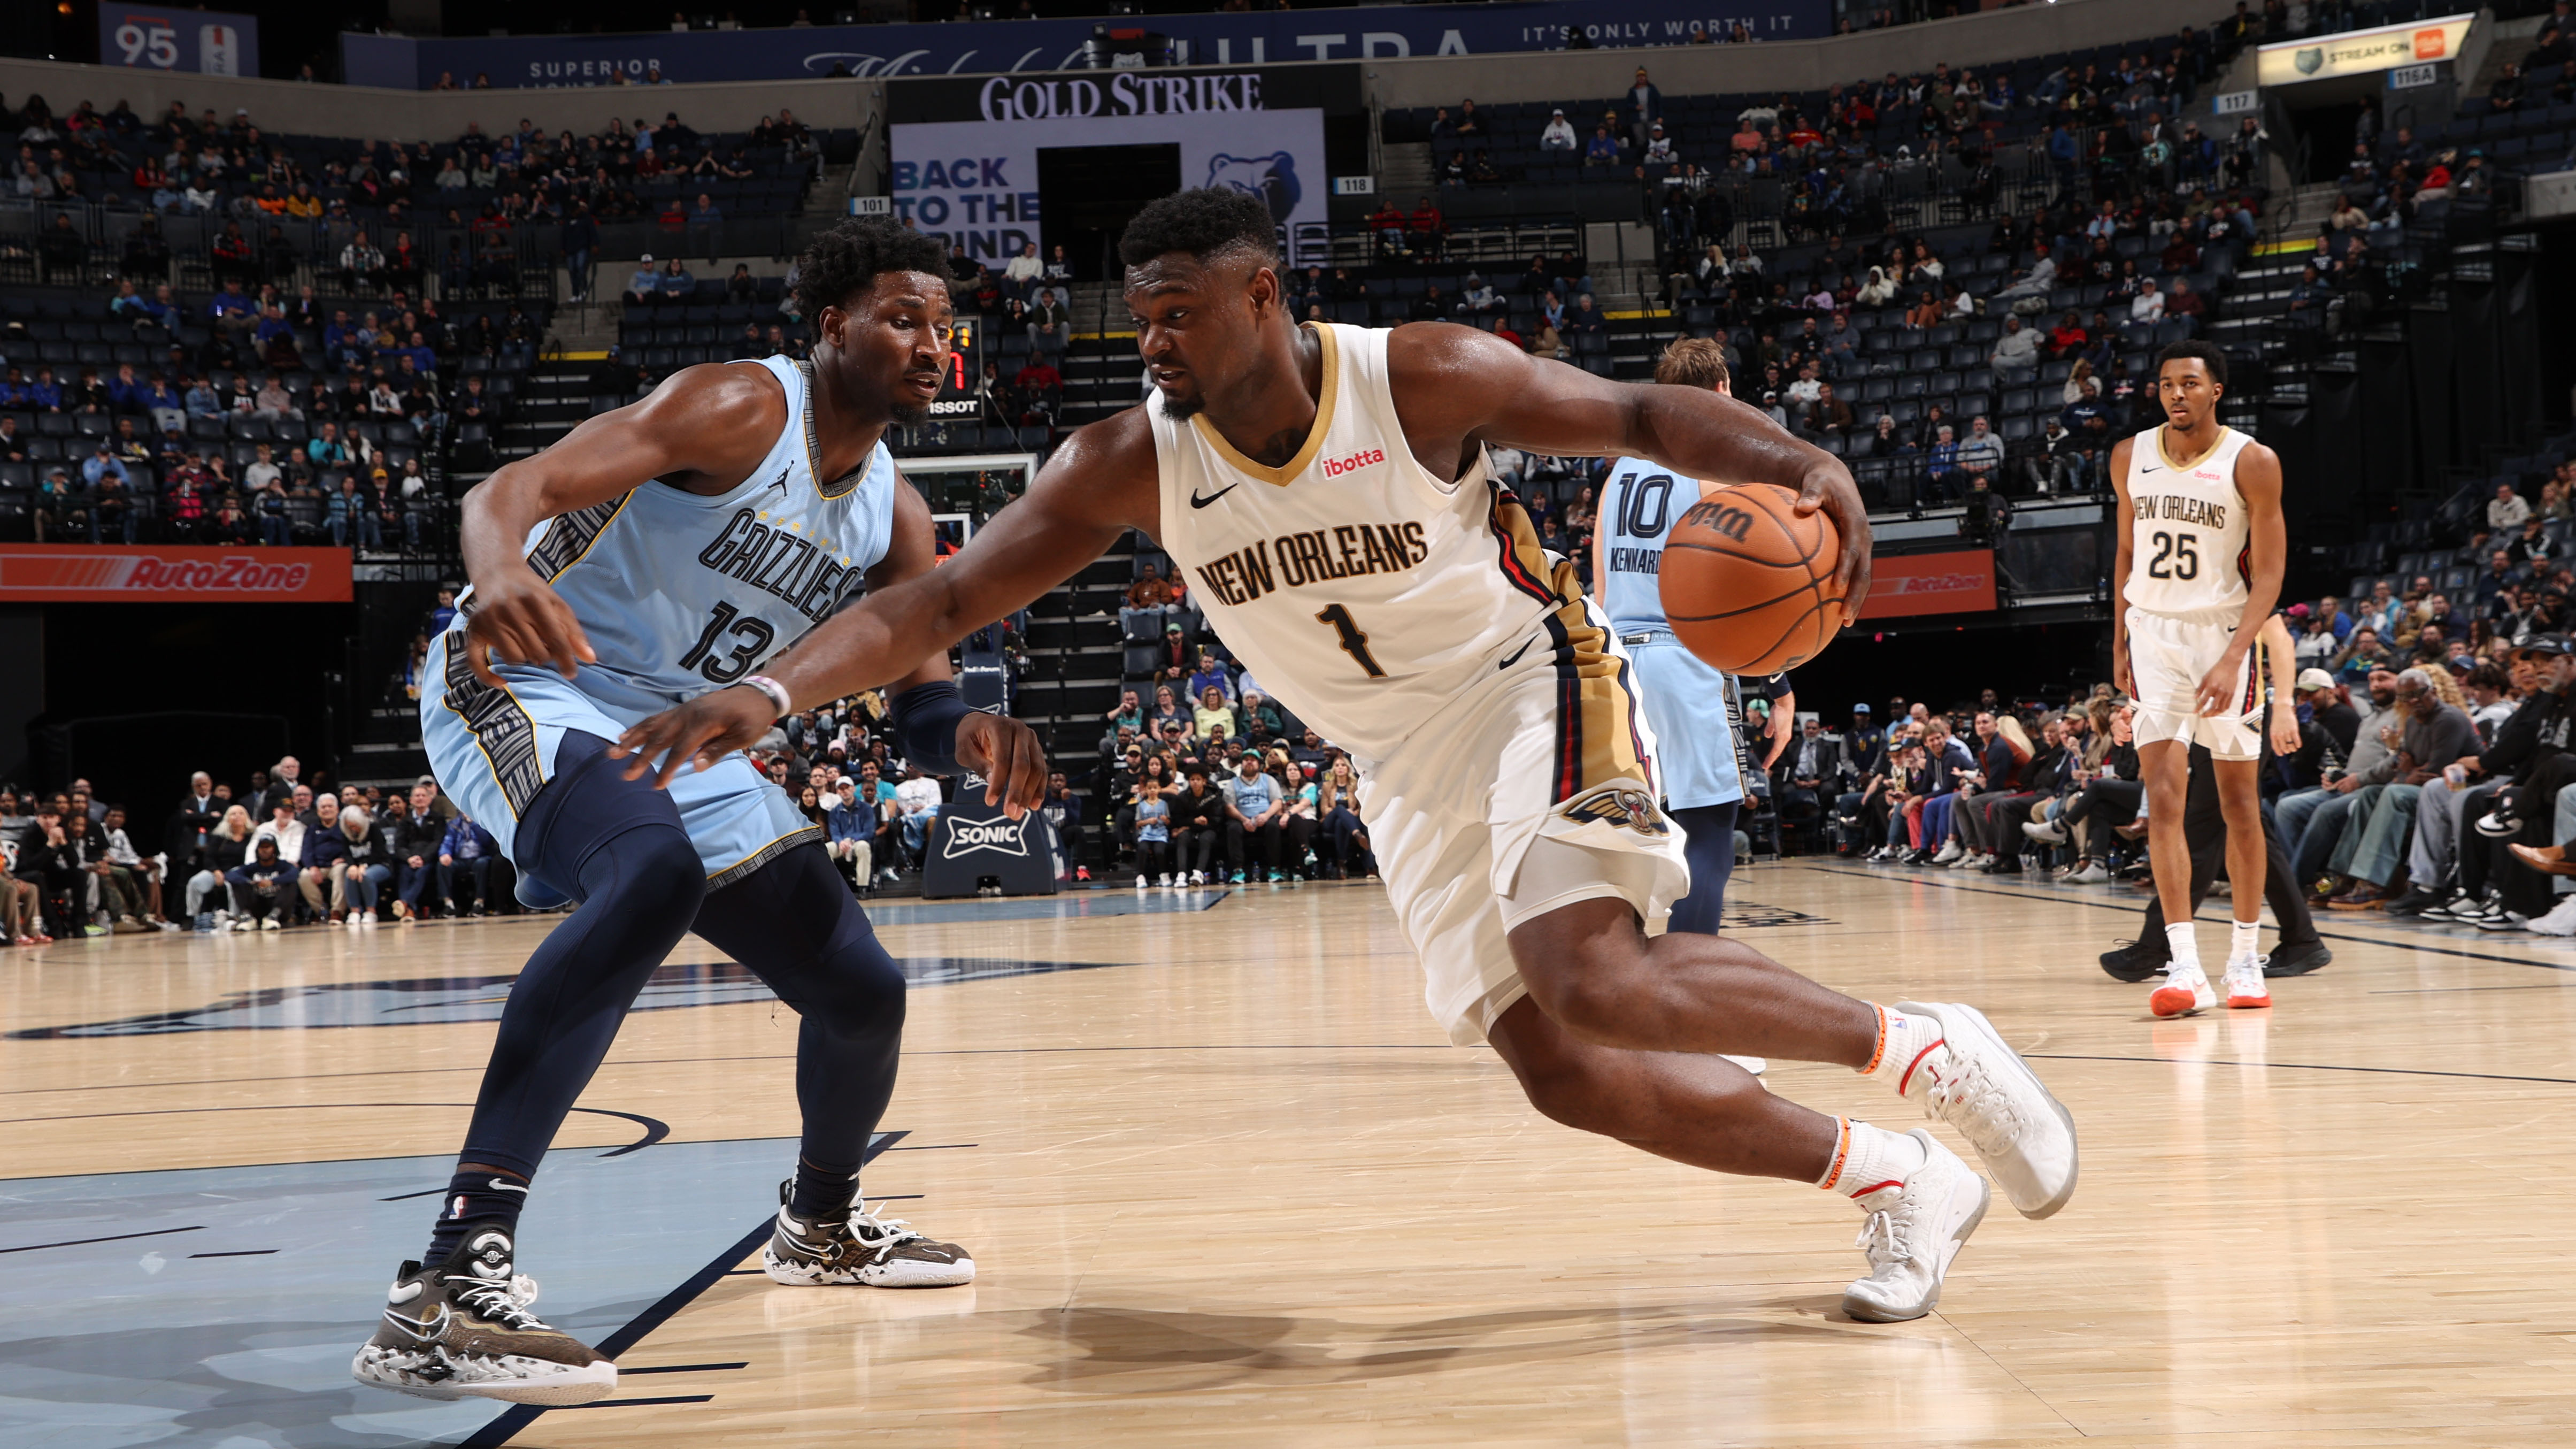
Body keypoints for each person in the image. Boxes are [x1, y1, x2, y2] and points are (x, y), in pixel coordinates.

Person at [613, 187, 2079, 1326]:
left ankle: (1925, 1048)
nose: (1155, 341)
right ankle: (1899, 1176)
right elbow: (935, 603)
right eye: (1143, 318)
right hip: (1397, 758)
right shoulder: (1127, 458)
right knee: (1561, 1066)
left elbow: (1634, 413)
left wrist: (1803, 468)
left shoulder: (1419, 378)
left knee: (1595, 969)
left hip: (1527, 679)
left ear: (1263, 295)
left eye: (1180, 313)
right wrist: (766, 690)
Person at [350, 219, 1040, 1406]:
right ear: (830, 325)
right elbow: (507, 489)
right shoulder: (738, 408)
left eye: (942, 326)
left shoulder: (895, 512)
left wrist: (965, 732)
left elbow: (921, 700)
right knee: (652, 874)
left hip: (680, 727)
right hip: (525, 674)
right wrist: (502, 565)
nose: (931, 344)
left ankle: (818, 1222)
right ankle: (447, 1288)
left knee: (861, 990)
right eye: (901, 318)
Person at [2111, 340, 2286, 1016]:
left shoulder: (2251, 462)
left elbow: (2268, 573)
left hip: (2221, 635)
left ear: (2216, 390)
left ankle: (2245, 958)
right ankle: (2183, 966)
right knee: (2161, 799)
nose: (2175, 394)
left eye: (2188, 384)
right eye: (2164, 385)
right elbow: (2124, 552)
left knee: (2238, 802)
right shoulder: (2130, 455)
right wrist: (2119, 640)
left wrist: (2234, 653)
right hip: (2152, 633)